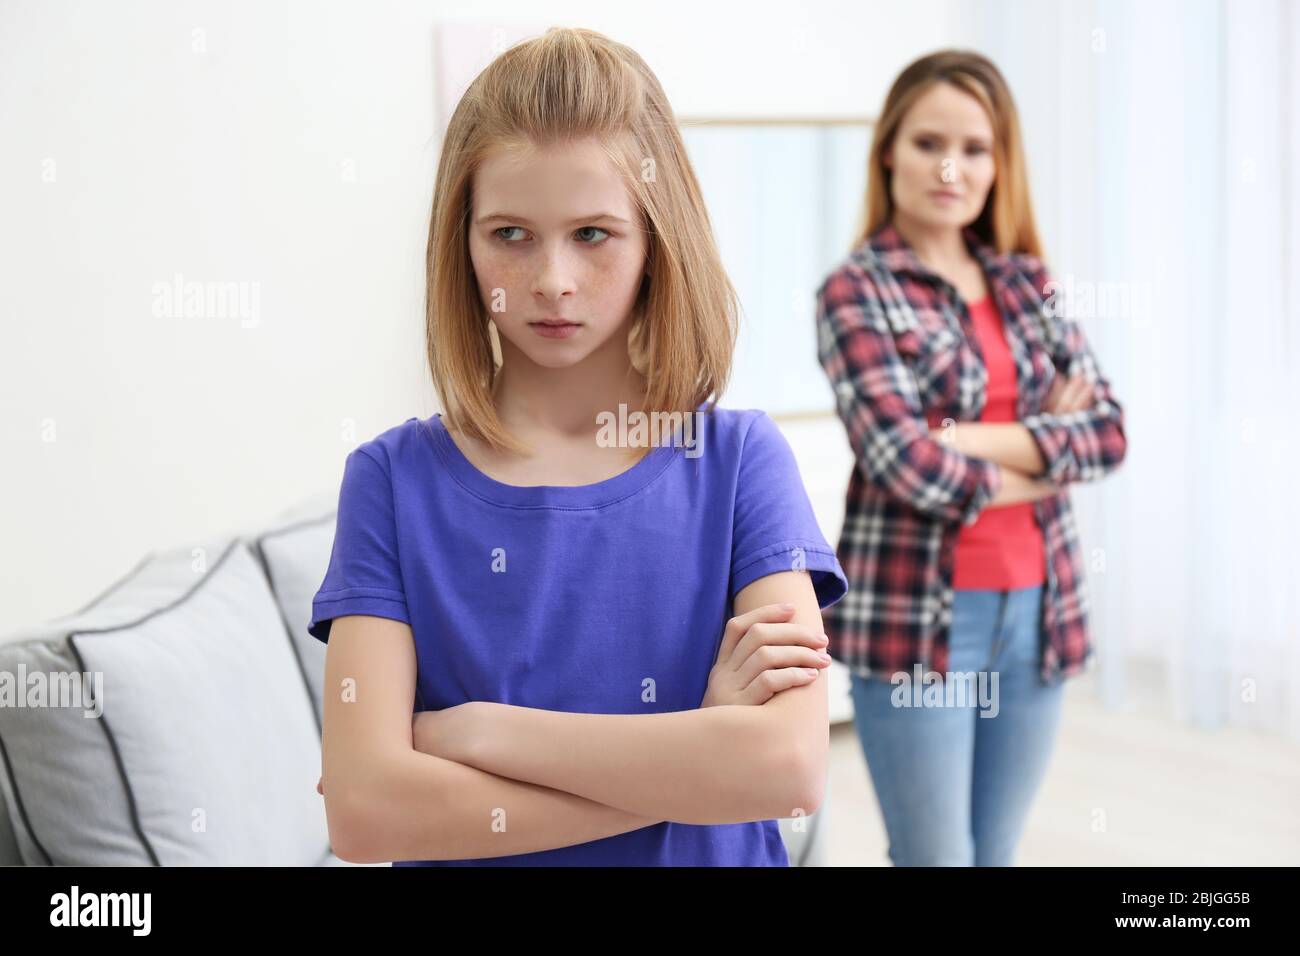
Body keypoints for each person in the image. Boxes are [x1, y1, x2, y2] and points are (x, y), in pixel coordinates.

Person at [307, 27, 848, 866]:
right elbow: (368, 815)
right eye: (510, 234)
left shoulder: (742, 463)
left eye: (593, 234)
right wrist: (697, 754)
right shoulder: (390, 481)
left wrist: (483, 733)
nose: (552, 280)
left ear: (656, 240)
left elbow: (784, 767)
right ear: (463, 242)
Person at [815, 50, 1128, 866]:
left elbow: (1110, 432)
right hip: (917, 621)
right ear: (889, 151)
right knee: (937, 861)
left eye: (976, 149)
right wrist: (1039, 455)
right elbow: (904, 464)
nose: (951, 168)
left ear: (1000, 164)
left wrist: (964, 437)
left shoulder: (1028, 282)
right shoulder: (857, 290)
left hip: (1039, 613)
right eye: (927, 143)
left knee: (995, 854)